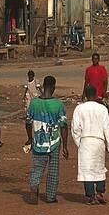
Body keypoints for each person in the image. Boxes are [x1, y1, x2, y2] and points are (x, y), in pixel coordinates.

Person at [26, 75, 68, 203]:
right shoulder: (58, 104)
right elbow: (64, 126)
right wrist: (65, 146)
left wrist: (29, 138)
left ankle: (34, 185)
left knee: (37, 167)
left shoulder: (34, 103)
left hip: (38, 141)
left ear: (43, 86)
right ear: (54, 87)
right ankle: (50, 197)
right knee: (53, 170)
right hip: (54, 142)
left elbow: (28, 122)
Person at [72, 84, 109, 205]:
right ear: (95, 94)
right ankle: (100, 192)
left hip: (86, 141)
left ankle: (91, 195)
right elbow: (107, 128)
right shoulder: (102, 109)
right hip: (99, 142)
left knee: (87, 170)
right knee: (99, 167)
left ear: (85, 95)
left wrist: (79, 143)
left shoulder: (79, 109)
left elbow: (75, 130)